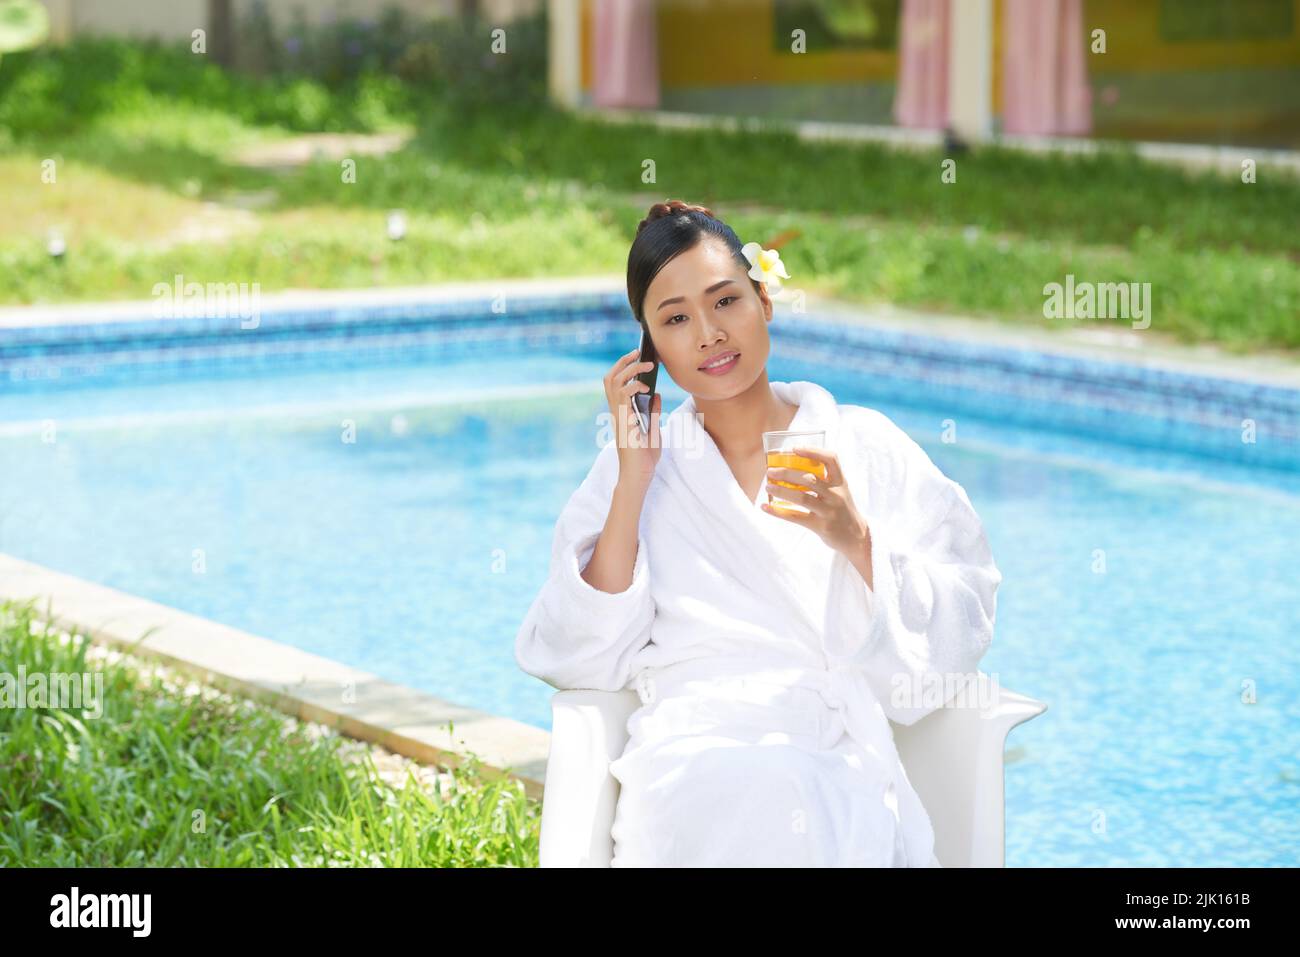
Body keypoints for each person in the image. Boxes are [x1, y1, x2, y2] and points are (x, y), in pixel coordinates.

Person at [514, 199, 1002, 867]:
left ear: (764, 301)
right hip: (688, 758)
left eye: (725, 301)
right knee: (759, 786)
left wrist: (855, 536)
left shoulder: (863, 446)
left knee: (791, 788)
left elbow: (966, 608)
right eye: (676, 319)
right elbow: (576, 651)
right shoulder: (638, 465)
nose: (709, 333)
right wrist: (633, 480)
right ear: (650, 349)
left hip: (831, 750)